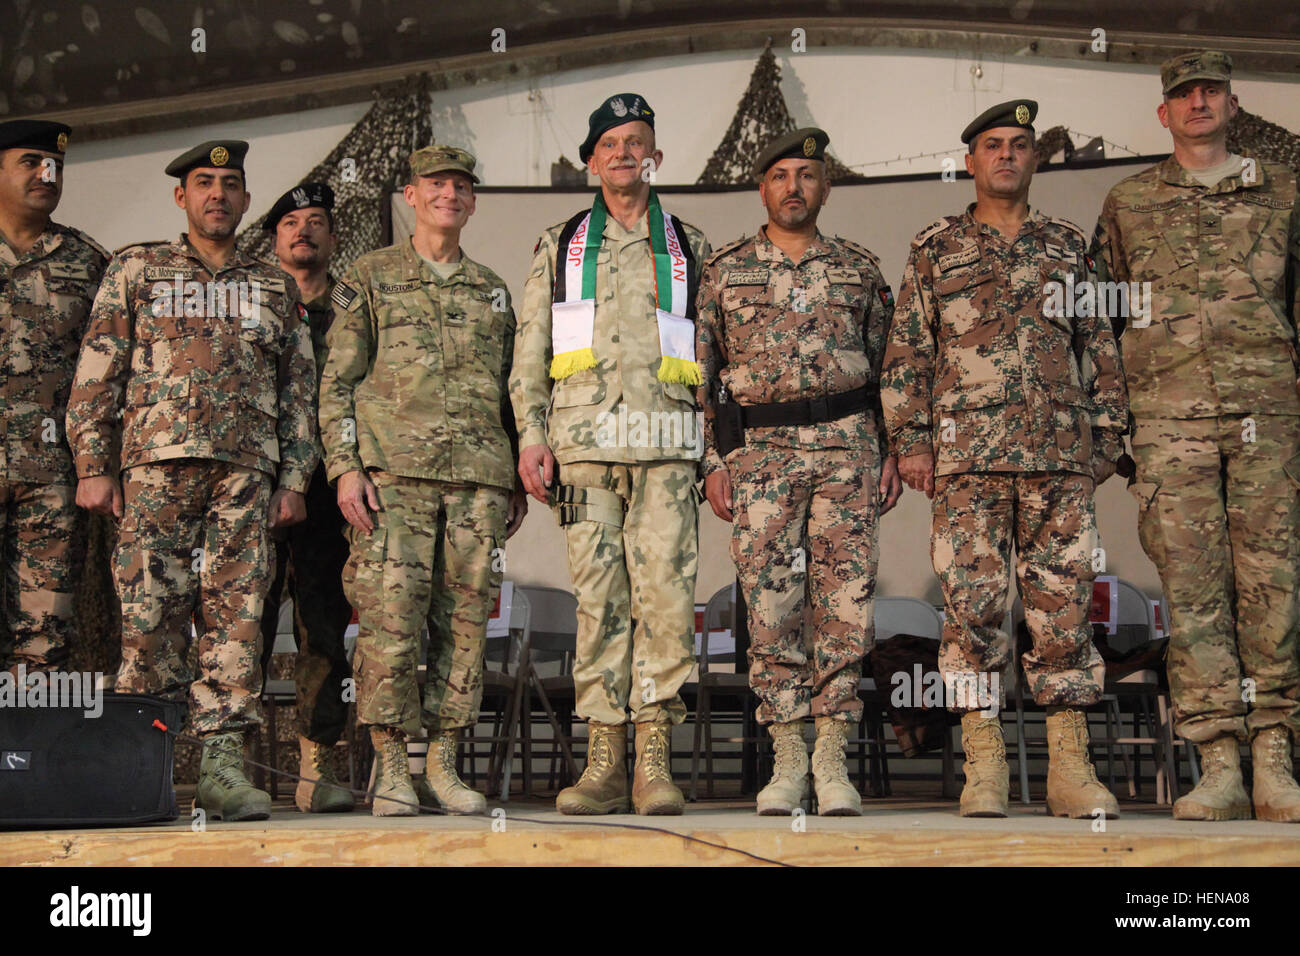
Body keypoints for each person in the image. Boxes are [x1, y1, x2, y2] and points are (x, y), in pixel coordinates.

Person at [882, 101, 1127, 818]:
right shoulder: (936, 247)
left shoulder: (1066, 244)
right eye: (993, 145)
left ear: (1034, 159)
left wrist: (1106, 436)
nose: (1007, 155)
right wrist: (913, 441)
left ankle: (1069, 768)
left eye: (1020, 145)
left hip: (1057, 458)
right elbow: (907, 353)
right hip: (968, 465)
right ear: (971, 161)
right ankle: (983, 762)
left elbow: (1099, 345)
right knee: (972, 612)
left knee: (1064, 610)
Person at [67, 140, 318, 821]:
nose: (218, 194)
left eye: (231, 184)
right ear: (182, 196)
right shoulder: (138, 268)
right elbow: (98, 371)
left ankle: (222, 768)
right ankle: (141, 769)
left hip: (246, 475)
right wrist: (93, 464)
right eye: (204, 182)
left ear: (244, 199)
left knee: (236, 623)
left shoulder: (273, 284)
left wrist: (294, 475)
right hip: (154, 469)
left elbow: (299, 389)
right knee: (150, 621)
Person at [1091, 51, 1300, 822]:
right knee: (1196, 595)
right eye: (1184, 95)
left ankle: (1276, 757)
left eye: (1211, 91)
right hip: (1169, 423)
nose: (1199, 103)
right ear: (1164, 114)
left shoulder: (1284, 192)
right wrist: (1114, 429)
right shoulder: (1129, 202)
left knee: (1275, 589)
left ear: (1234, 103)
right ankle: (1217, 761)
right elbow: (1100, 327)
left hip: (1269, 421)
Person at [512, 93, 710, 815]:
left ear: (654, 156)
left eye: (638, 142)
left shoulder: (688, 244)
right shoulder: (560, 243)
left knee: (664, 599)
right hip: (586, 452)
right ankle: (602, 758)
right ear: (591, 159)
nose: (625, 154)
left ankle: (653, 759)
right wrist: (531, 435)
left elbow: (714, 359)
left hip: (664, 448)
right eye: (612, 144)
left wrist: (711, 455)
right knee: (599, 602)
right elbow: (529, 349)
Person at [696, 128, 900, 816]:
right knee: (771, 607)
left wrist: (896, 449)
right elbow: (703, 377)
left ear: (825, 187)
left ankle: (833, 757)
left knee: (844, 606)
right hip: (761, 456)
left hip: (848, 449)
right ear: (763, 188)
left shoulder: (859, 268)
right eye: (781, 175)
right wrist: (712, 462)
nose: (794, 187)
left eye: (807, 175)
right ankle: (787, 756)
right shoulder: (725, 270)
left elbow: (892, 369)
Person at [320, 145, 526, 817]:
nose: (450, 195)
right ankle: (390, 768)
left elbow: (511, 393)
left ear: (471, 201)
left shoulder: (491, 289)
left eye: (462, 186)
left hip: (477, 484)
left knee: (466, 627)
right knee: (390, 623)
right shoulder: (370, 276)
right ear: (411, 195)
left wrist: (515, 475)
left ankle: (442, 763)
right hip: (393, 483)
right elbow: (338, 383)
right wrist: (345, 467)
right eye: (436, 184)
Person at [256, 182, 355, 813]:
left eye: (316, 221)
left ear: (332, 237)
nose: (303, 232)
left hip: (329, 491)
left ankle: (317, 766)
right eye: (291, 222)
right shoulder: (251, 299)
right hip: (258, 486)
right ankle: (230, 760)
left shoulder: (355, 302)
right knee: (243, 624)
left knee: (324, 629)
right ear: (274, 238)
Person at [0, 120, 107, 679]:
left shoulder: (88, 262)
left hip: (54, 475)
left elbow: (113, 370)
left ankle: (27, 764)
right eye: (32, 162)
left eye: (56, 165)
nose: (48, 174)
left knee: (44, 636)